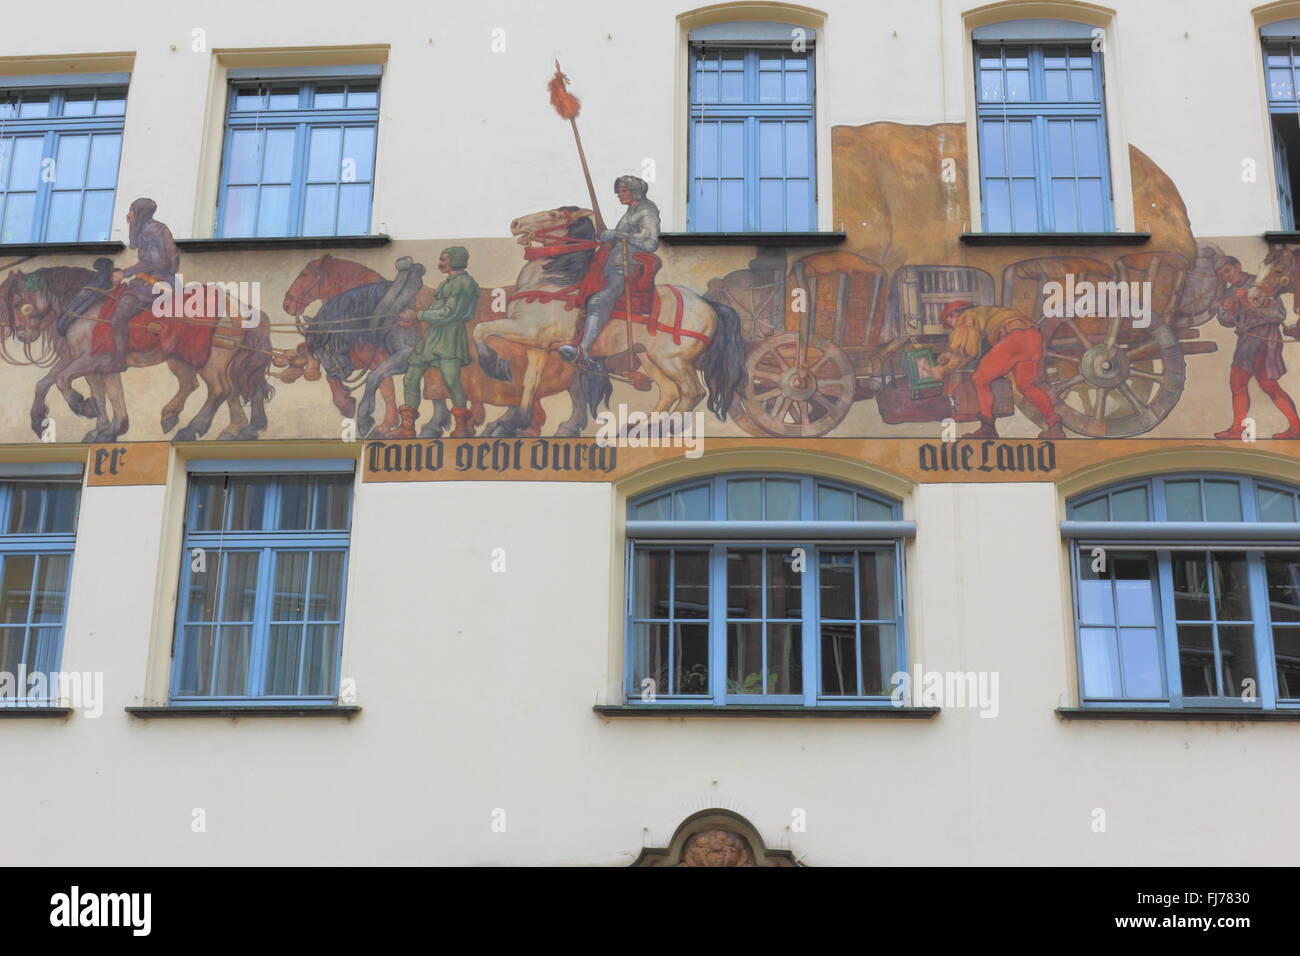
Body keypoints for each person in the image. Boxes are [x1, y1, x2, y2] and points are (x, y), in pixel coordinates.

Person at [557, 174, 660, 368]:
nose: (619, 195)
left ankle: (584, 351)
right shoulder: (631, 211)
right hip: (612, 264)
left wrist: (616, 234)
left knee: (599, 300)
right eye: (618, 191)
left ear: (634, 191)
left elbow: (649, 239)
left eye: (623, 191)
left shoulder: (646, 209)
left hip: (626, 266)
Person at [930, 300, 1065, 439]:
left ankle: (988, 428)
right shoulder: (985, 312)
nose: (953, 328)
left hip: (1014, 338)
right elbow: (969, 345)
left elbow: (967, 352)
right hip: (1032, 338)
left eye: (950, 323)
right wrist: (949, 355)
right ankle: (1054, 426)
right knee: (1026, 386)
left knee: (979, 379)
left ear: (953, 315)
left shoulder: (966, 317)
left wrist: (943, 369)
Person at [394, 247, 479, 438]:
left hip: (450, 337)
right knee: (411, 377)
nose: (439, 263)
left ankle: (461, 428)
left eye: (444, 260)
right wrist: (411, 318)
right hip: (432, 336)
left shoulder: (464, 283)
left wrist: (417, 315)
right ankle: (407, 427)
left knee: (451, 381)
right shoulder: (447, 283)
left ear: (455, 261)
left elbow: (450, 313)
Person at [1212, 257, 1300, 439]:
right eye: (1222, 275)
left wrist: (1246, 301)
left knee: (1238, 382)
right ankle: (1296, 427)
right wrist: (1230, 310)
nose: (1226, 277)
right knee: (1268, 384)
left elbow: (1278, 314)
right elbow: (1225, 321)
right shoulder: (1228, 293)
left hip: (1261, 337)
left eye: (1227, 271)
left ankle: (1238, 429)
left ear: (1238, 266)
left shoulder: (1260, 283)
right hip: (1247, 339)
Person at [106, 198, 180, 372]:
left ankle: (119, 361)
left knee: (119, 314)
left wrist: (124, 273)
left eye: (132, 210)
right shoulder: (156, 228)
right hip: (157, 278)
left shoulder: (149, 231)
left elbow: (153, 261)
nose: (129, 215)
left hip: (155, 281)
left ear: (139, 213)